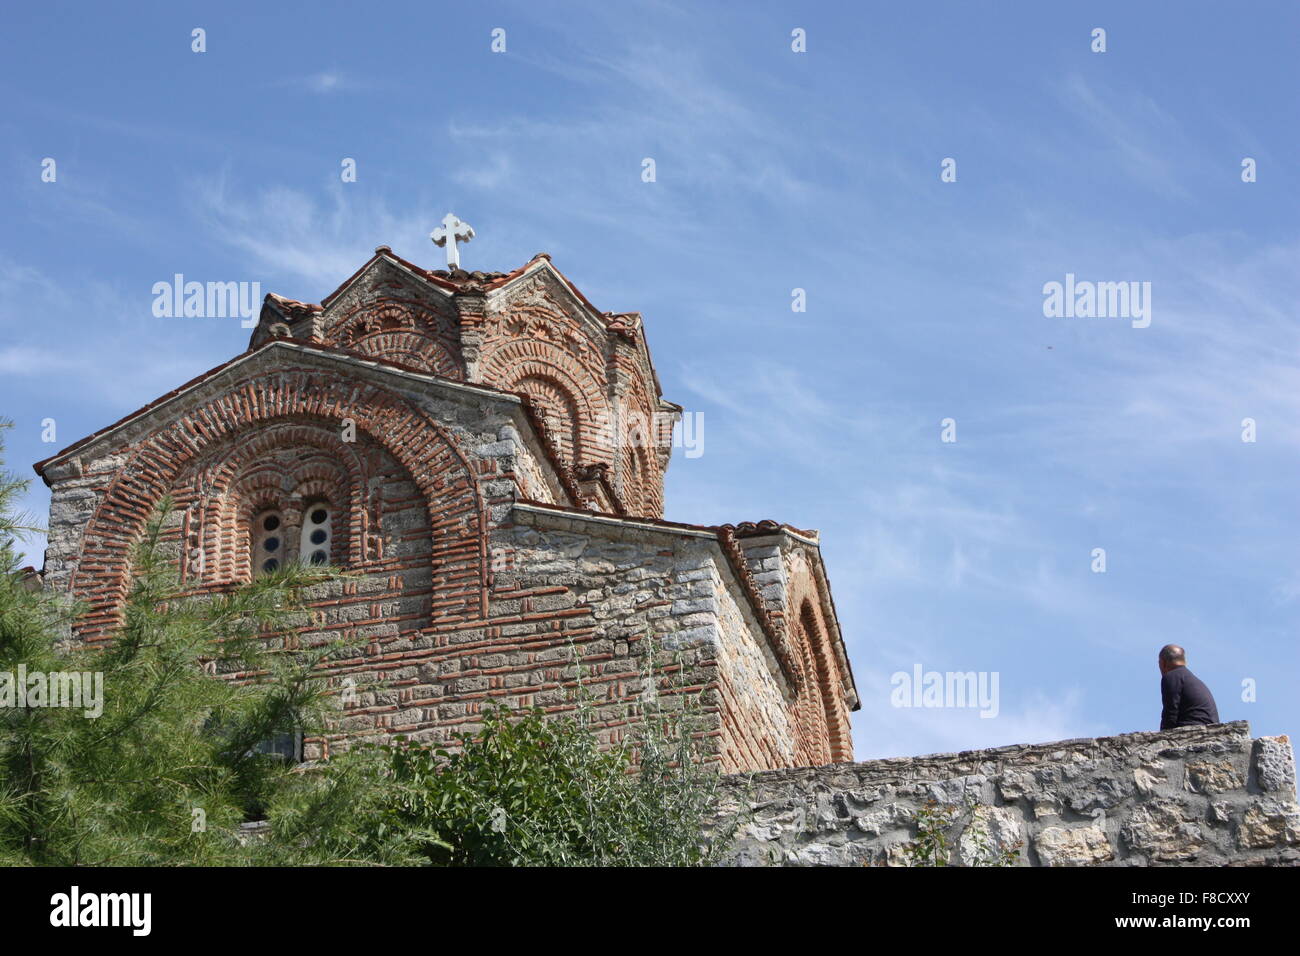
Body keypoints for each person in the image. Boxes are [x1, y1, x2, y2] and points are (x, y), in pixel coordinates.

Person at [1157, 644, 1219, 730]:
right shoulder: (1190, 679)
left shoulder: (1172, 676)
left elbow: (1170, 712)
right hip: (1210, 728)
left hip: (1193, 727)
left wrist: (1162, 738)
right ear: (1184, 662)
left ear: (1163, 663)